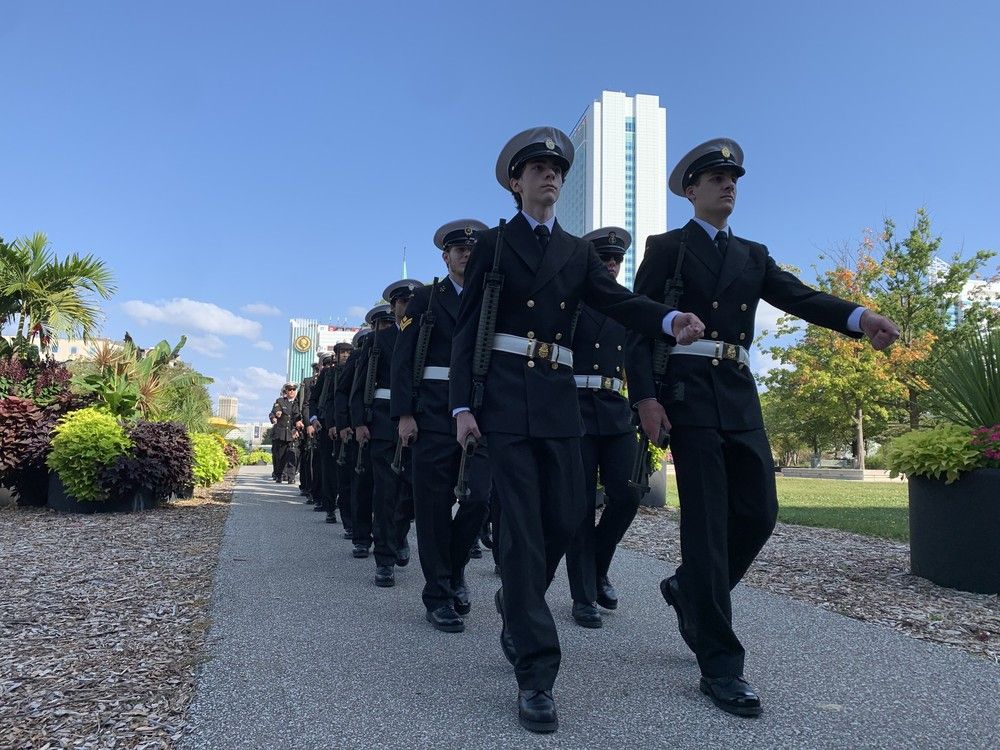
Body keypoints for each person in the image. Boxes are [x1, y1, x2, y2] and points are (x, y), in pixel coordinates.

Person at [628, 137, 900, 718]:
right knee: (705, 524)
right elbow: (638, 326)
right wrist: (644, 398)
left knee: (759, 513)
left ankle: (690, 592)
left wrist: (862, 317)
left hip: (739, 397)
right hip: (689, 395)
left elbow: (799, 297)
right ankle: (721, 666)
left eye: (735, 178)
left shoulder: (753, 254)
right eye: (717, 178)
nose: (729, 185)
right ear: (691, 190)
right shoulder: (667, 248)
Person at [449, 126, 705, 733]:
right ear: (516, 182)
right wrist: (463, 407)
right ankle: (537, 673)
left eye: (556, 169)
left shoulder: (574, 251)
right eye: (536, 168)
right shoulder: (494, 244)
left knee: (566, 520)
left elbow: (615, 301)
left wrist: (668, 318)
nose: (550, 176)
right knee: (522, 529)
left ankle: (516, 601)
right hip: (506, 399)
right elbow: (465, 331)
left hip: (560, 402)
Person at [390, 219, 493, 633]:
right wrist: (404, 415)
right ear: (445, 256)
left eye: (472, 248)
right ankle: (438, 594)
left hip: (481, 416)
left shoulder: (493, 294)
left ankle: (454, 569)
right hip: (431, 415)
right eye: (458, 249)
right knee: (432, 508)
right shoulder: (426, 300)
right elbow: (401, 359)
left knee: (480, 499)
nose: (466, 253)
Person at [563, 227, 642, 630]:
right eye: (605, 260)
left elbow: (637, 358)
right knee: (578, 505)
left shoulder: (624, 305)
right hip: (574, 409)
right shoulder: (570, 301)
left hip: (614, 410)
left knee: (628, 495)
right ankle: (583, 594)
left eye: (616, 260)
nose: (612, 265)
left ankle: (598, 566)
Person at [352, 285, 422, 587]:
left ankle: (399, 532)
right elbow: (357, 386)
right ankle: (384, 558)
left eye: (411, 301)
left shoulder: (427, 332)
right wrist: (359, 422)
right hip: (383, 422)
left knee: (414, 491)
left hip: (423, 422)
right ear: (393, 307)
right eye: (402, 302)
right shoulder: (379, 340)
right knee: (385, 493)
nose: (406, 306)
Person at [337, 327, 375, 555]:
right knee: (360, 483)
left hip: (392, 426)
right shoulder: (360, 358)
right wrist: (343, 424)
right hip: (357, 427)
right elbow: (344, 393)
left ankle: (392, 536)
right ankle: (360, 534)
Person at [323, 341, 355, 533]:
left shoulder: (361, 365)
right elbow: (327, 401)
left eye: (348, 351)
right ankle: (333, 511)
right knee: (334, 473)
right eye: (342, 352)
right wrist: (332, 423)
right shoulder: (330, 374)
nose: (345, 355)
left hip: (358, 425)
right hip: (335, 428)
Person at [269, 383, 301, 483]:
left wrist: (297, 429)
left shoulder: (298, 402)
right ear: (286, 391)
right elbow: (275, 410)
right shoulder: (280, 401)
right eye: (289, 389)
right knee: (280, 456)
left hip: (293, 433)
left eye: (293, 389)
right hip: (282, 434)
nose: (291, 391)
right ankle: (279, 475)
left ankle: (291, 478)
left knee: (292, 455)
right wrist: (276, 414)